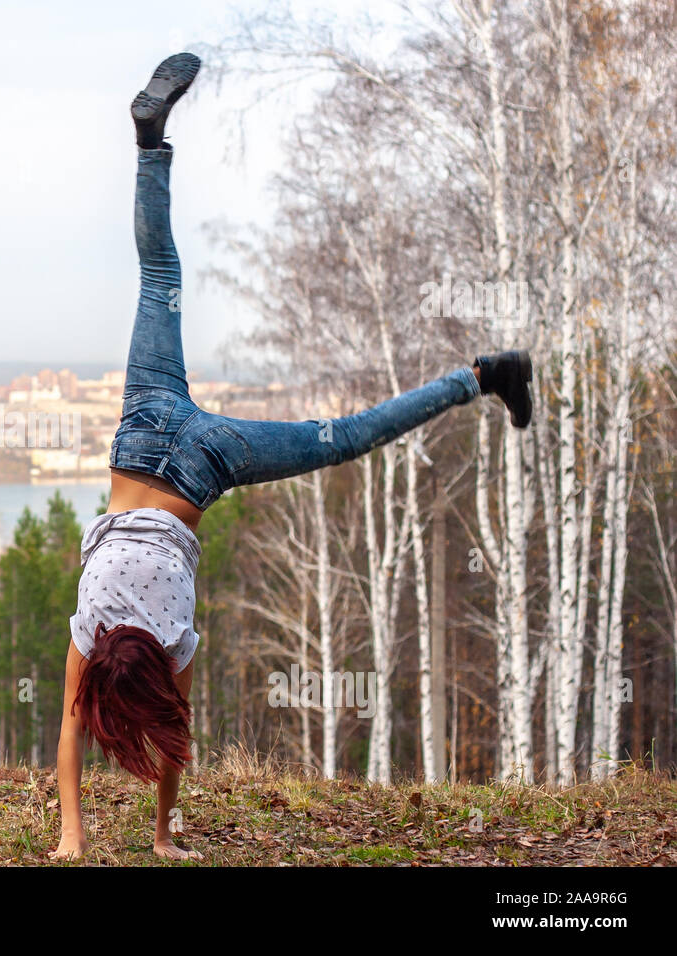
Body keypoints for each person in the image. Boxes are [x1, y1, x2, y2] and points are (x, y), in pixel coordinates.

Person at [49, 52, 534, 862]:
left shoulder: (169, 643)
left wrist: (92, 843)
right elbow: (94, 734)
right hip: (143, 430)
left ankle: (483, 376)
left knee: (346, 436)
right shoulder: (99, 628)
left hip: (204, 465)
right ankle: (149, 146)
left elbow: (167, 742)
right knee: (159, 275)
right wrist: (143, 838)